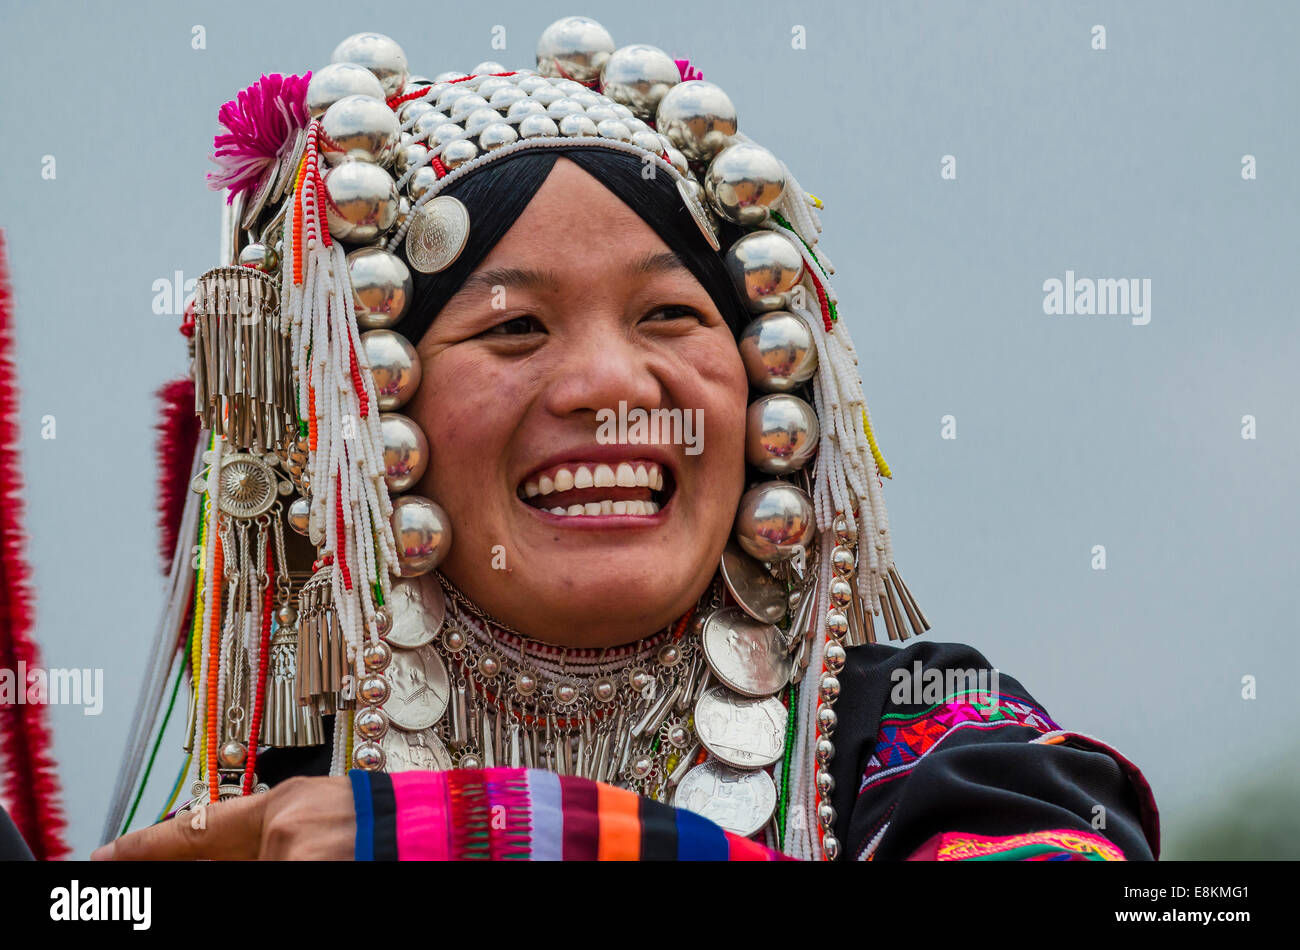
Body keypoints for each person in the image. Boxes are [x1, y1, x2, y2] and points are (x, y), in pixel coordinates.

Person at [95, 17, 1158, 862]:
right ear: (359, 422)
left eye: (669, 316)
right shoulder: (267, 809)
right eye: (513, 325)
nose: (613, 383)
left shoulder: (928, 741)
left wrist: (498, 830)